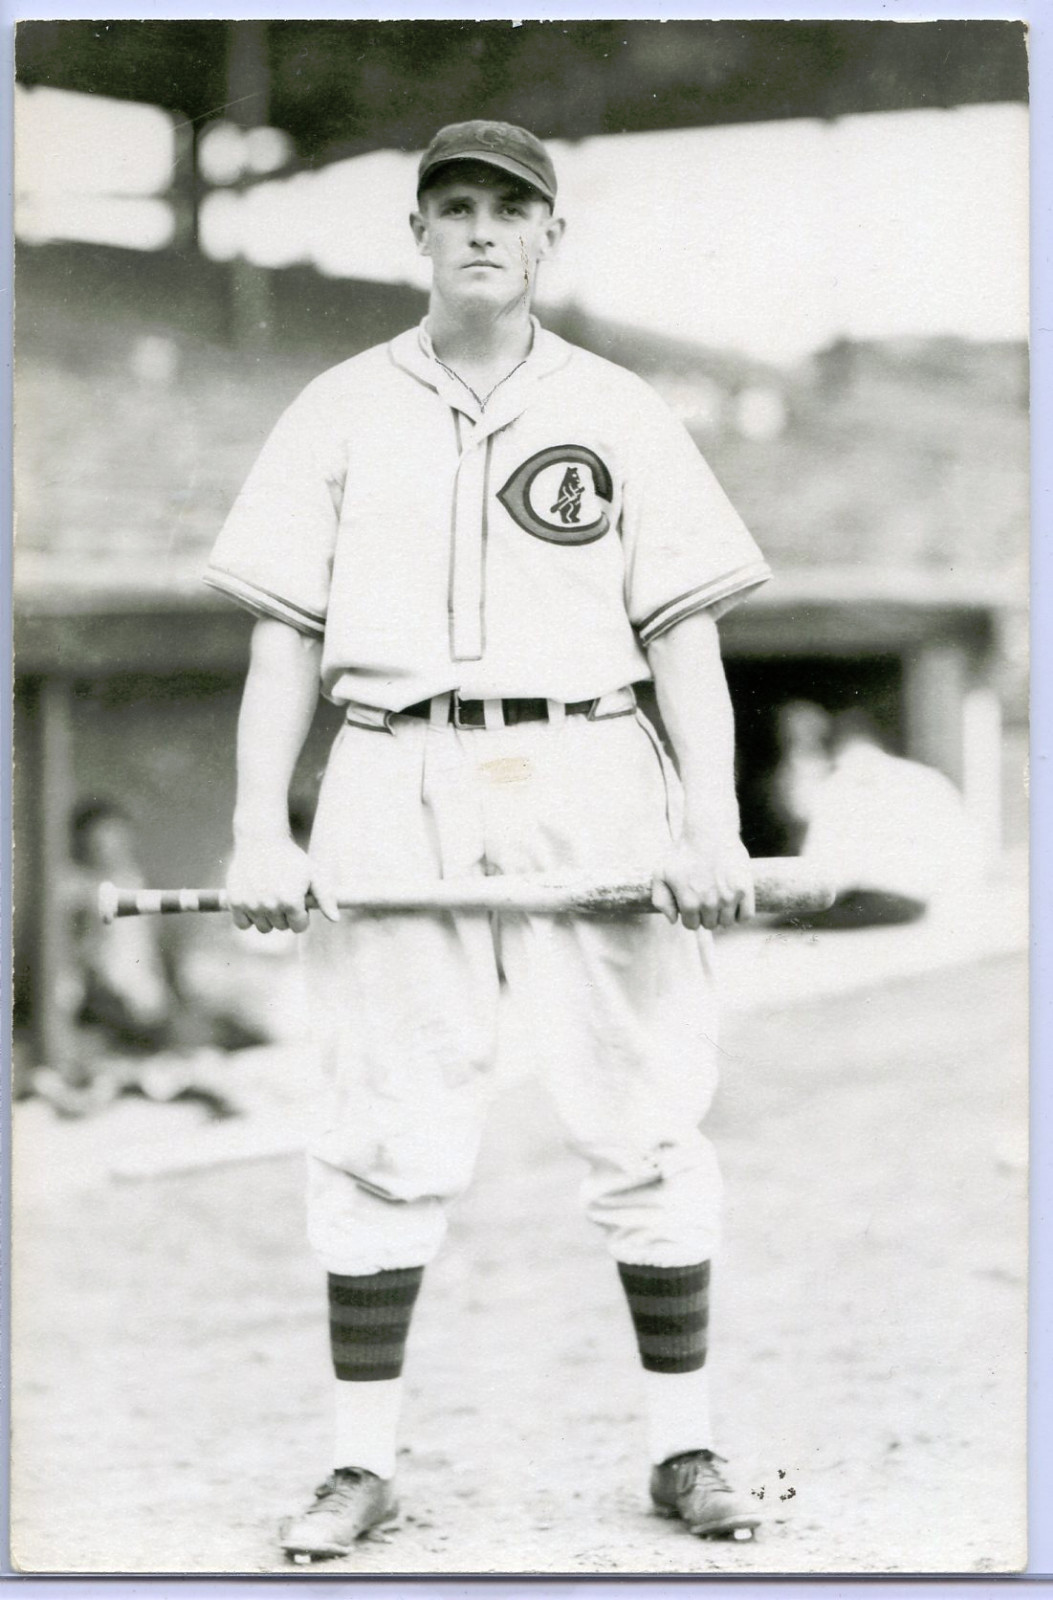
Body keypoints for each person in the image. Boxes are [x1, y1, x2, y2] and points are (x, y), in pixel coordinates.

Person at [205, 120, 773, 1562]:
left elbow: (686, 641)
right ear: (416, 234)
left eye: (506, 210)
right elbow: (282, 646)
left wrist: (709, 824)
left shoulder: (624, 409)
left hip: (588, 752)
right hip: (396, 764)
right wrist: (257, 834)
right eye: (450, 207)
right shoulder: (334, 408)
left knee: (643, 1111)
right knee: (381, 1118)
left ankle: (682, 1445)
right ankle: (358, 1465)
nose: (478, 232)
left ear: (546, 239)